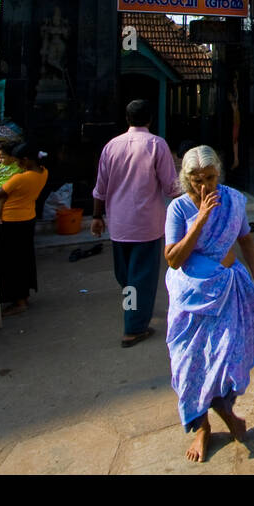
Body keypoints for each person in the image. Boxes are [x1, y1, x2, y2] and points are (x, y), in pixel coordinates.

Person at [165, 146, 254, 462]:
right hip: (191, 301)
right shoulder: (178, 209)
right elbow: (173, 259)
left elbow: (245, 240)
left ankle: (227, 416)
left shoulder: (233, 200)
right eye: (197, 180)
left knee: (225, 362)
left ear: (219, 174)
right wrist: (199, 220)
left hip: (228, 293)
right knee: (189, 365)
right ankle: (201, 429)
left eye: (210, 178)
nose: (205, 187)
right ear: (186, 179)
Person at [91, 100, 179, 348]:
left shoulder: (111, 146)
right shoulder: (156, 145)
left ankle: (132, 313)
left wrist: (97, 217)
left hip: (119, 224)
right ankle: (134, 327)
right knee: (142, 277)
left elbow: (100, 187)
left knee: (127, 276)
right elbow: (171, 186)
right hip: (146, 224)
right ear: (150, 119)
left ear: (127, 119)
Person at [0, 143, 48, 315]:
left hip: (10, 221)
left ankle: (19, 301)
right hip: (28, 218)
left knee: (10, 264)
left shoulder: (19, 179)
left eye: (18, 161)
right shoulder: (44, 173)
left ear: (26, 160)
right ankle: (22, 297)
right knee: (23, 260)